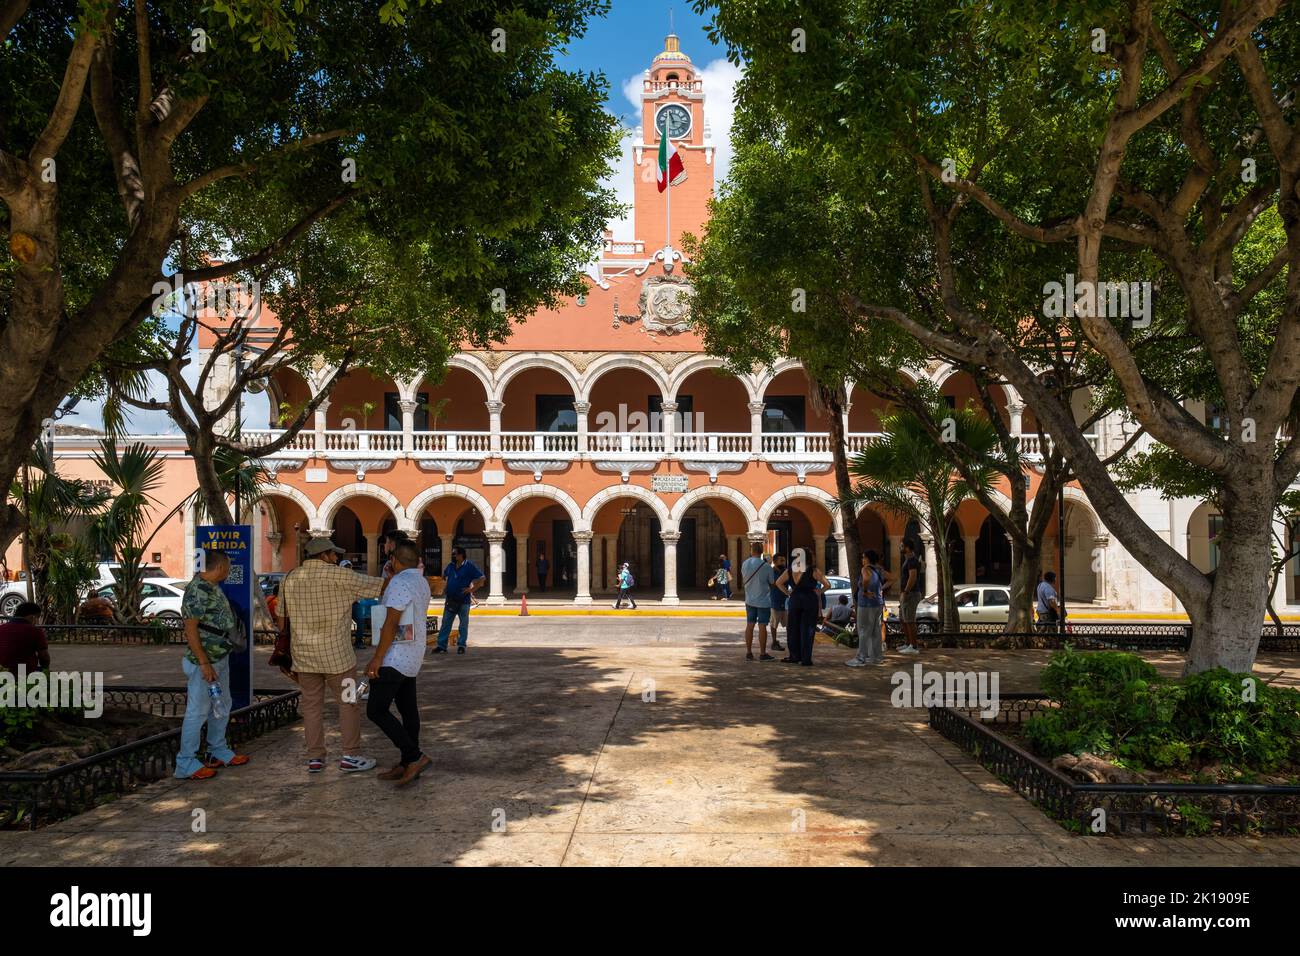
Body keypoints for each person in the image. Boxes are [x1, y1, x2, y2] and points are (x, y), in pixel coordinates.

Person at [280, 537, 385, 774]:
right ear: (325, 555)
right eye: (334, 554)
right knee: (348, 703)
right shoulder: (339, 575)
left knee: (311, 707)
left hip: (304, 658)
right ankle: (350, 755)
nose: (336, 558)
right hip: (339, 659)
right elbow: (380, 586)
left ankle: (315, 758)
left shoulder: (290, 578)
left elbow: (281, 617)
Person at [175, 551, 249, 780]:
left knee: (221, 704)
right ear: (219, 567)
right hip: (205, 662)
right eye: (227, 567)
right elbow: (190, 629)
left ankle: (217, 750)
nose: (228, 571)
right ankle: (186, 762)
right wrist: (204, 662)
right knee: (197, 711)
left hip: (220, 657)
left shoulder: (211, 587)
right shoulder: (196, 590)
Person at [365, 540, 432, 786]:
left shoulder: (399, 582)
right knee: (407, 709)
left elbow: (391, 623)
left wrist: (377, 658)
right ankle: (407, 762)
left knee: (376, 710)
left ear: (394, 560)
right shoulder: (421, 581)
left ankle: (414, 756)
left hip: (395, 655)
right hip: (413, 653)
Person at [774, 548, 832, 666]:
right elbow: (828, 585)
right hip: (810, 600)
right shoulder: (814, 570)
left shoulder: (790, 570)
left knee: (793, 629)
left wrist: (788, 593)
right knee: (808, 630)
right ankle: (806, 659)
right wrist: (818, 592)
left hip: (795, 600)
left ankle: (794, 656)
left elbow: (778, 583)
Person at [435, 547, 485, 654]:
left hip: (463, 601)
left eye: (455, 554)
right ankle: (441, 646)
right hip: (450, 599)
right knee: (446, 623)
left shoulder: (469, 566)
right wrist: (443, 586)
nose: (453, 556)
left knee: (463, 624)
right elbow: (444, 576)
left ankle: (461, 645)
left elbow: (482, 578)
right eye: (453, 554)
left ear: (461, 555)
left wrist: (471, 589)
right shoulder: (450, 566)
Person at [847, 549, 889, 667]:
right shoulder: (879, 569)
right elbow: (893, 577)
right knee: (876, 630)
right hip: (878, 603)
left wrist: (865, 591)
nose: (862, 559)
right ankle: (876, 657)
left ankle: (861, 657)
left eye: (864, 557)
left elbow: (865, 579)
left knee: (863, 630)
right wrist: (882, 588)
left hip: (866, 603)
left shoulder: (865, 569)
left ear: (868, 558)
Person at [740, 542, 776, 661]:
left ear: (751, 550)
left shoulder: (745, 563)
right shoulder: (766, 566)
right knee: (762, 626)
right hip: (763, 601)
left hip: (749, 599)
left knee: (749, 625)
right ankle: (762, 653)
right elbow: (772, 582)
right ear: (761, 551)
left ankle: (749, 652)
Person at [0, 601, 50, 674]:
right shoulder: (35, 631)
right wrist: (46, 670)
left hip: (3, 672)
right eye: (37, 618)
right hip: (24, 673)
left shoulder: (1, 628)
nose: (37, 622)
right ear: (32, 617)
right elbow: (44, 656)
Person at [897, 539, 924, 655]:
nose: (900, 547)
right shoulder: (908, 560)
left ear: (907, 548)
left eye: (902, 545)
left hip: (911, 594)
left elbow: (912, 577)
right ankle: (908, 643)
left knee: (910, 620)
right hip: (907, 593)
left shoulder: (912, 561)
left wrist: (906, 591)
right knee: (903, 619)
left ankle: (913, 646)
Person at [768, 553, 788, 652]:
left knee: (789, 623)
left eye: (783, 560)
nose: (783, 562)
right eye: (781, 560)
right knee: (774, 624)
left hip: (785, 601)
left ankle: (791, 641)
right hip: (775, 601)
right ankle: (774, 641)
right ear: (775, 562)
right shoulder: (771, 572)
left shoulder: (786, 571)